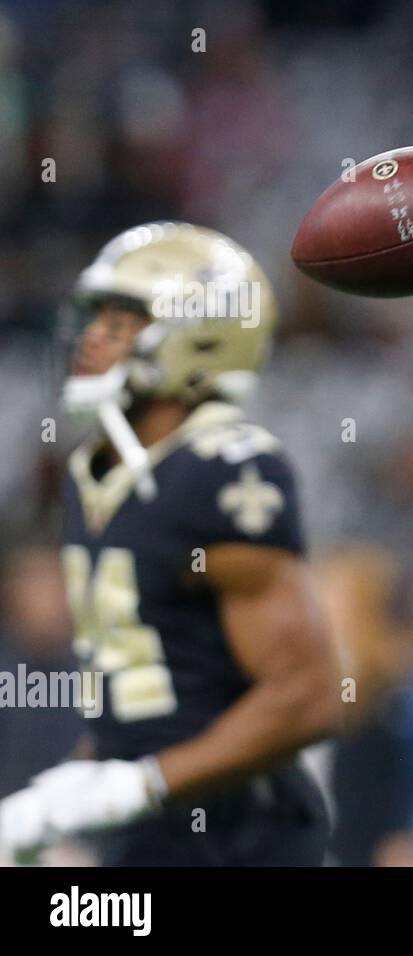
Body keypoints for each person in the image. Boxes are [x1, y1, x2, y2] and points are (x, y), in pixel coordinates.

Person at [0, 222, 341, 865]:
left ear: (198, 338)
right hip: (153, 836)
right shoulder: (94, 474)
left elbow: (307, 698)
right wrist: (68, 793)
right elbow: (152, 681)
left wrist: (142, 782)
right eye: (95, 318)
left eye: (122, 322)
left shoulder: (224, 471)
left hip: (246, 838)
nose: (91, 339)